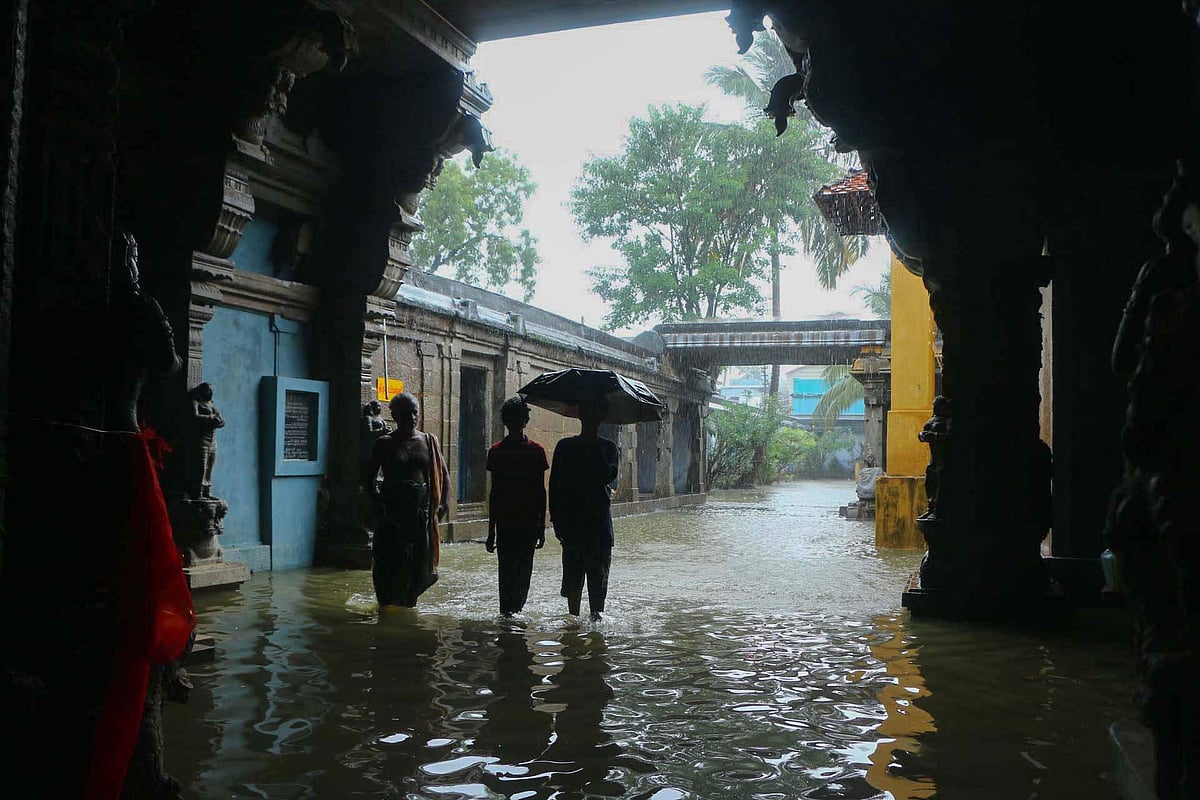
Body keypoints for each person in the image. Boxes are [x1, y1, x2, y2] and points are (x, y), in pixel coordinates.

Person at [365, 393, 449, 609]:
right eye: (405, 413)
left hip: (419, 514)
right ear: (394, 415)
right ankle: (387, 607)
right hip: (392, 513)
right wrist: (376, 504)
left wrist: (442, 504)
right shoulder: (384, 444)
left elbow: (443, 475)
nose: (411, 417)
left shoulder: (428, 441)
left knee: (419, 567)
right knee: (388, 563)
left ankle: (408, 605)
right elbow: (367, 478)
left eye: (414, 413)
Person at [549, 396, 619, 621]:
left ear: (601, 418)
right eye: (587, 412)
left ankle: (590, 635)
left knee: (598, 592)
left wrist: (593, 443)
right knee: (573, 587)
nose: (590, 418)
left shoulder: (608, 448)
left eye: (595, 414)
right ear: (580, 415)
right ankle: (574, 635)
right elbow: (555, 486)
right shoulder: (565, 447)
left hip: (599, 529)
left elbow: (607, 476)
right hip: (573, 527)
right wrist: (557, 522)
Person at [485, 397, 549, 617]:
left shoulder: (503, 451)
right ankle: (510, 615)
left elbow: (541, 492)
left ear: (524, 421)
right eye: (511, 419)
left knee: (518, 572)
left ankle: (511, 615)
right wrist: (490, 531)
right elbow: (494, 493)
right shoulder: (501, 452)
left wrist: (541, 527)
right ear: (506, 422)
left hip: (522, 522)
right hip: (513, 522)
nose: (514, 423)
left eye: (518, 419)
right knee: (513, 572)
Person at [186, 382, 225, 499]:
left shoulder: (211, 405)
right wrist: (210, 418)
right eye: (208, 390)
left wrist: (219, 421)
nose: (210, 393)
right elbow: (194, 417)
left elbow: (221, 420)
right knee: (201, 468)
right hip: (202, 439)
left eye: (211, 391)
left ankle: (207, 491)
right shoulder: (196, 402)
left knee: (209, 467)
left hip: (212, 440)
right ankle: (198, 492)